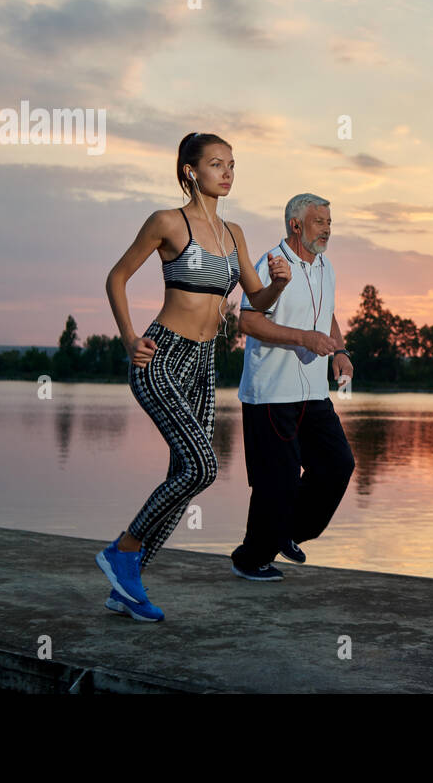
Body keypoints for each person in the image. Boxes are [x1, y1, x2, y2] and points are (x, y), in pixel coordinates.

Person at [96, 132, 291, 621]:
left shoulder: (234, 234)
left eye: (232, 164)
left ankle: (126, 585)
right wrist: (127, 339)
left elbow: (256, 301)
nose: (227, 172)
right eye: (216, 163)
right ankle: (123, 551)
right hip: (162, 357)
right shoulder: (167, 222)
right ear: (190, 170)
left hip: (203, 365)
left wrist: (278, 284)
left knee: (183, 474)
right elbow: (116, 276)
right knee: (202, 467)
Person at [229, 193, 356, 580]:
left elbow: (327, 311)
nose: (328, 230)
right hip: (271, 392)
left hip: (314, 393)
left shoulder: (325, 267)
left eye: (330, 222)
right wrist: (304, 338)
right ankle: (251, 558)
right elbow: (247, 322)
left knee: (337, 465)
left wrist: (340, 351)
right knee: (277, 481)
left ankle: (286, 532)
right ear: (296, 225)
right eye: (321, 222)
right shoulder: (273, 264)